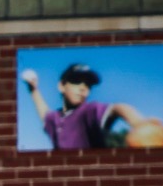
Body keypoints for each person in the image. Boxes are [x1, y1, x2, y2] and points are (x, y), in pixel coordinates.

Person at [21, 62, 150, 151]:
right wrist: (33, 90)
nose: (83, 88)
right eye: (77, 82)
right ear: (61, 86)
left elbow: (119, 108)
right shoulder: (54, 118)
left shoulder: (88, 111)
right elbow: (44, 114)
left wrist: (142, 126)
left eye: (88, 85)